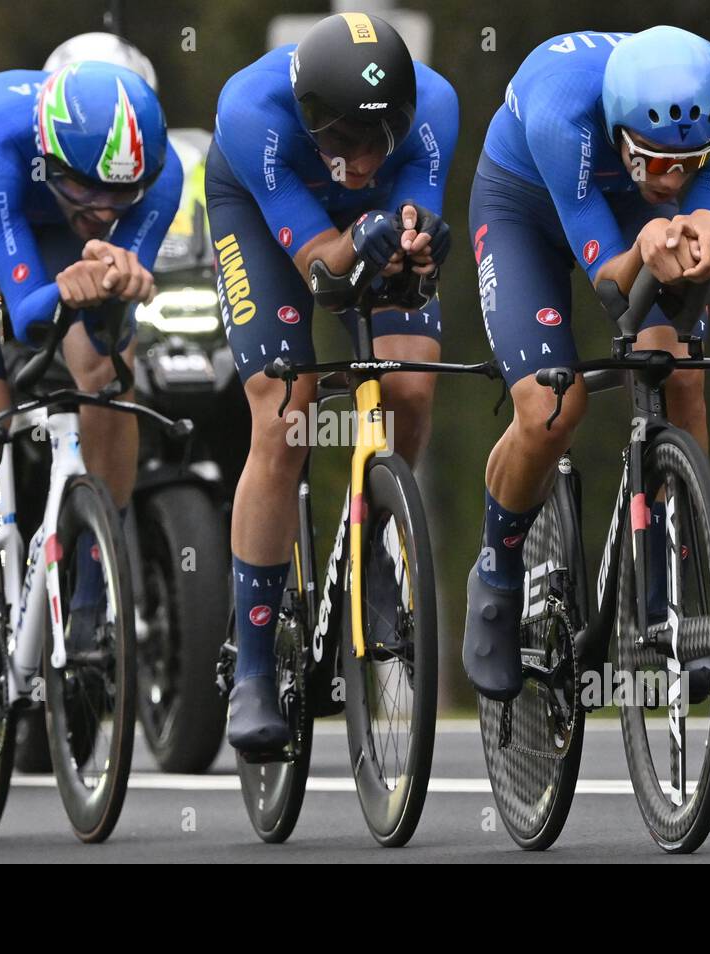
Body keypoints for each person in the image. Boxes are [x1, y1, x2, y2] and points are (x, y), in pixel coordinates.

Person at [463, 26, 710, 701]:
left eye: (689, 164)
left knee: (680, 375)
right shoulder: (563, 114)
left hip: (633, 217)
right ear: (620, 133)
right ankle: (497, 579)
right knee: (550, 409)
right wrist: (648, 244)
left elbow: (695, 228)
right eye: (655, 161)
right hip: (525, 207)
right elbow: (612, 289)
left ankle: (674, 594)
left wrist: (706, 228)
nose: (673, 178)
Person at [0, 60, 182, 727]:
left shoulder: (158, 173)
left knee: (111, 376)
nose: (106, 211)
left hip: (51, 227)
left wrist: (120, 279)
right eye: (87, 186)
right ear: (52, 156)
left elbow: (112, 300)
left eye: (123, 196)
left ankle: (92, 590)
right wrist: (69, 286)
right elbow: (28, 316)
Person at [206, 12, 458, 750]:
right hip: (262, 218)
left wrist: (416, 251)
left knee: (410, 384)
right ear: (311, 117)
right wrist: (361, 238)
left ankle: (379, 545)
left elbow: (412, 261)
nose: (359, 159)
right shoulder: (253, 114)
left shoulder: (435, 108)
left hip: (368, 227)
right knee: (286, 416)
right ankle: (253, 671)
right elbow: (321, 269)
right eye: (341, 140)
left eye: (378, 140)